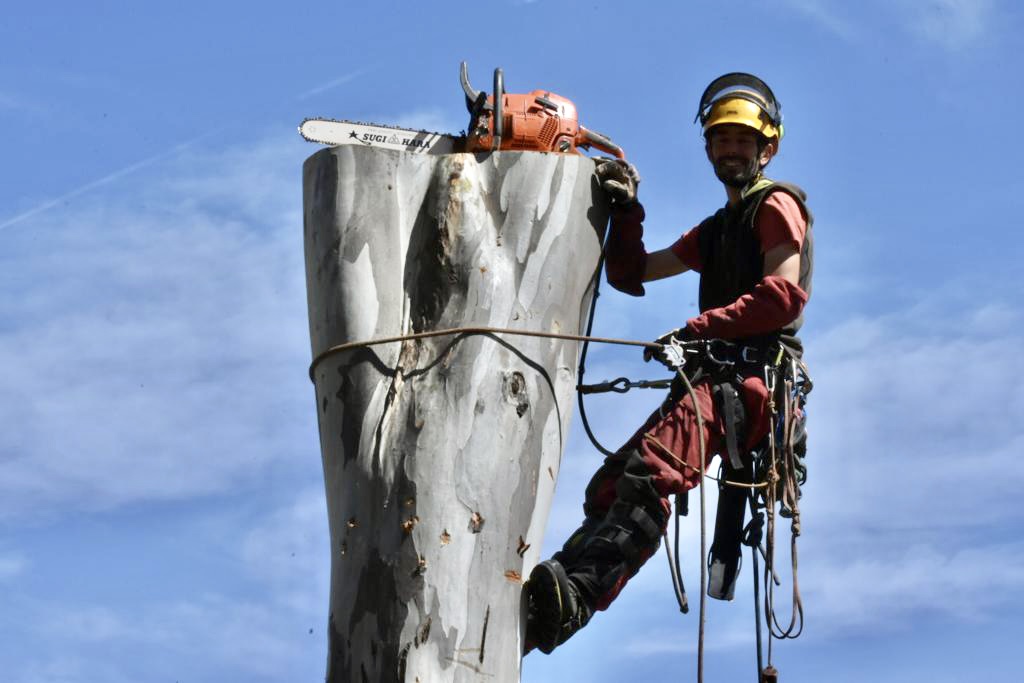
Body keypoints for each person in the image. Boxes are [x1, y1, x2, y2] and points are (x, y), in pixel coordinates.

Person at [524, 73, 814, 654]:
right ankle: (559, 589)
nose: (729, 150)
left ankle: (578, 596)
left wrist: (697, 328)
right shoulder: (716, 230)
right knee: (615, 480)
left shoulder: (775, 204)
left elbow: (783, 295)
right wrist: (626, 210)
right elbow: (632, 274)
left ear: (767, 147)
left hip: (750, 383)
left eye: (741, 141)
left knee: (649, 475)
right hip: (714, 381)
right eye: (720, 140)